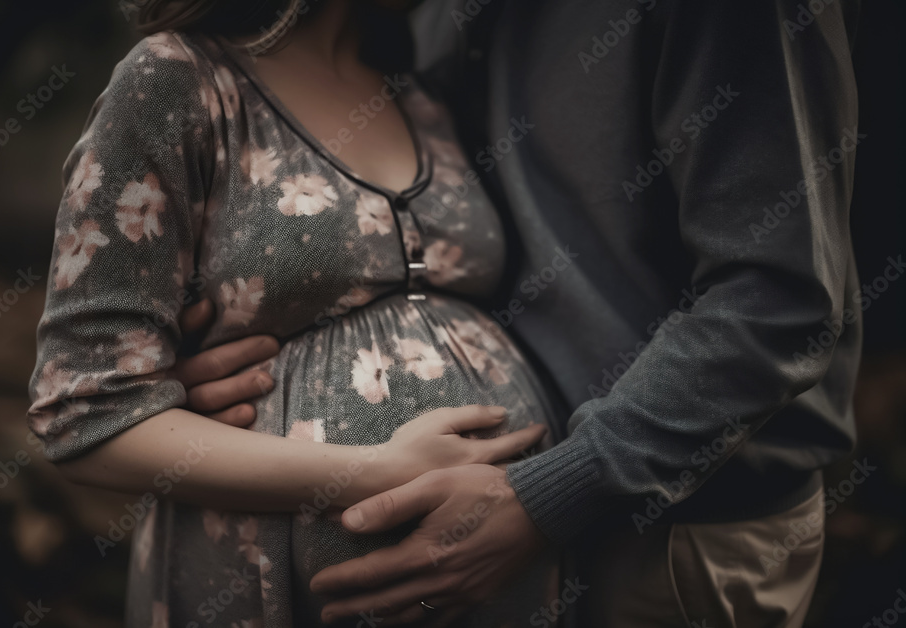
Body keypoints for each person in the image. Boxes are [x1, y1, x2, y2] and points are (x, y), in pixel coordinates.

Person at [183, 0, 864, 626]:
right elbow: (429, 244)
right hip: (506, 521)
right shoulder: (426, 15)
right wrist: (247, 351)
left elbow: (776, 300)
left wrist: (550, 495)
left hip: (674, 532)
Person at [26, 0, 562, 626]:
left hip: (510, 585)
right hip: (262, 586)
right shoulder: (173, 79)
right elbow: (84, 414)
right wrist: (376, 471)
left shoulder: (421, 94)